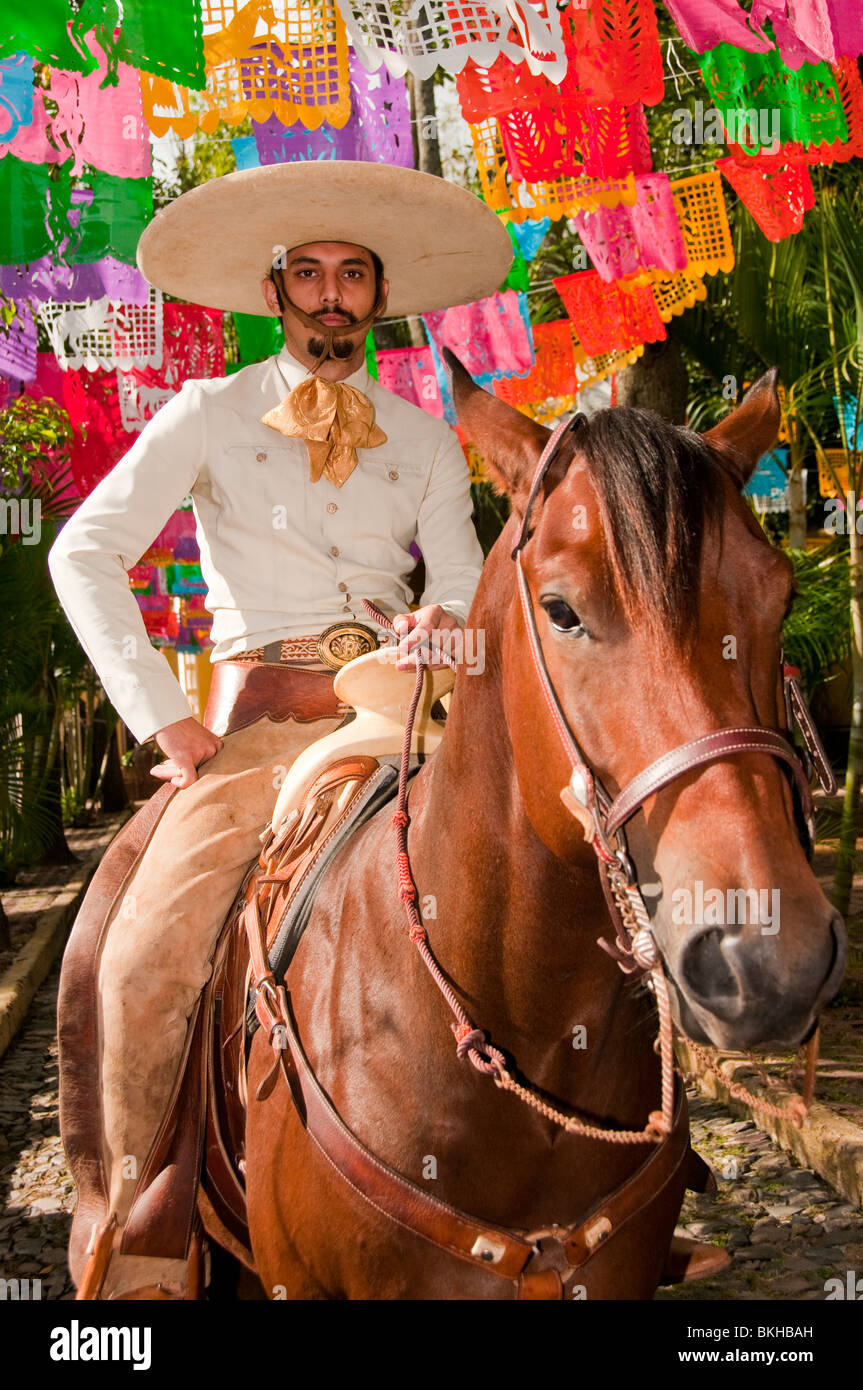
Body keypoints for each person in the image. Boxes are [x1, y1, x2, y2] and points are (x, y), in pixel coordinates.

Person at [48, 160, 513, 1299]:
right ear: (275, 291)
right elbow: (82, 552)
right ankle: (147, 1214)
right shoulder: (204, 412)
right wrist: (162, 718)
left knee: (567, 864)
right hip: (254, 728)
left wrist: (444, 627)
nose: (330, 293)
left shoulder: (426, 435)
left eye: (351, 274)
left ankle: (623, 1170)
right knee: (148, 941)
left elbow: (459, 578)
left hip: (405, 714)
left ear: (378, 294)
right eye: (307, 273)